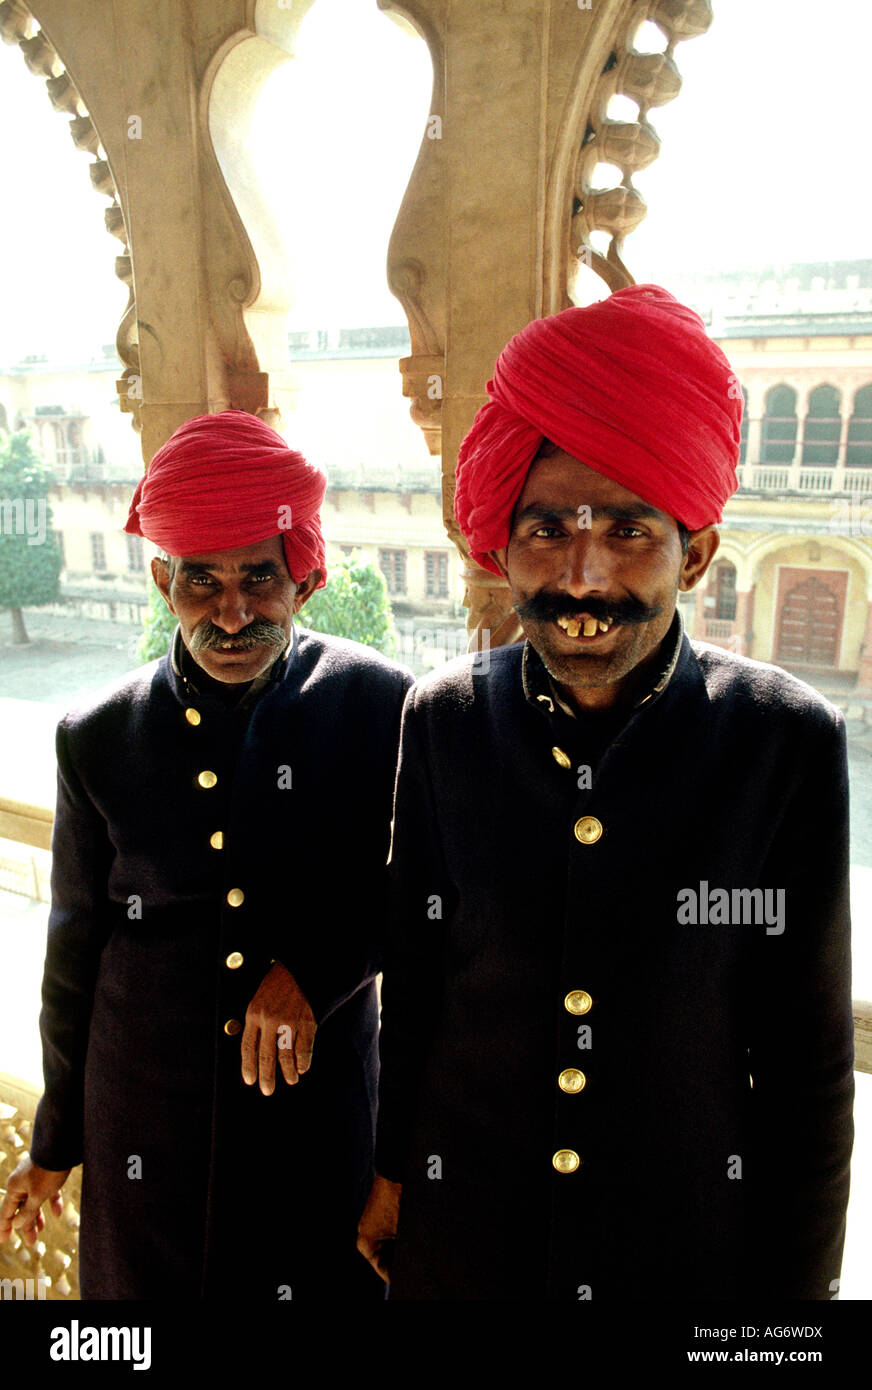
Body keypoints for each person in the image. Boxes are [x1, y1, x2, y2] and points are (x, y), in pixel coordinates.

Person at [357, 285, 854, 1301]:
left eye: (627, 529)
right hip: (469, 1235)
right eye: (545, 529)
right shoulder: (444, 719)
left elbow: (805, 1073)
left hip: (671, 1250)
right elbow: (415, 986)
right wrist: (394, 1172)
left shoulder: (779, 742)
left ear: (696, 554)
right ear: (501, 548)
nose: (580, 577)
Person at [0, 410, 412, 1300]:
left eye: (259, 578)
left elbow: (423, 890)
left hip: (315, 1115)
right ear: (162, 579)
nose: (232, 612)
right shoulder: (99, 735)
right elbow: (74, 955)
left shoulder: (376, 706)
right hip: (147, 1121)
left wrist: (313, 971)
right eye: (201, 581)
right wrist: (53, 1145)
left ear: (300, 576)